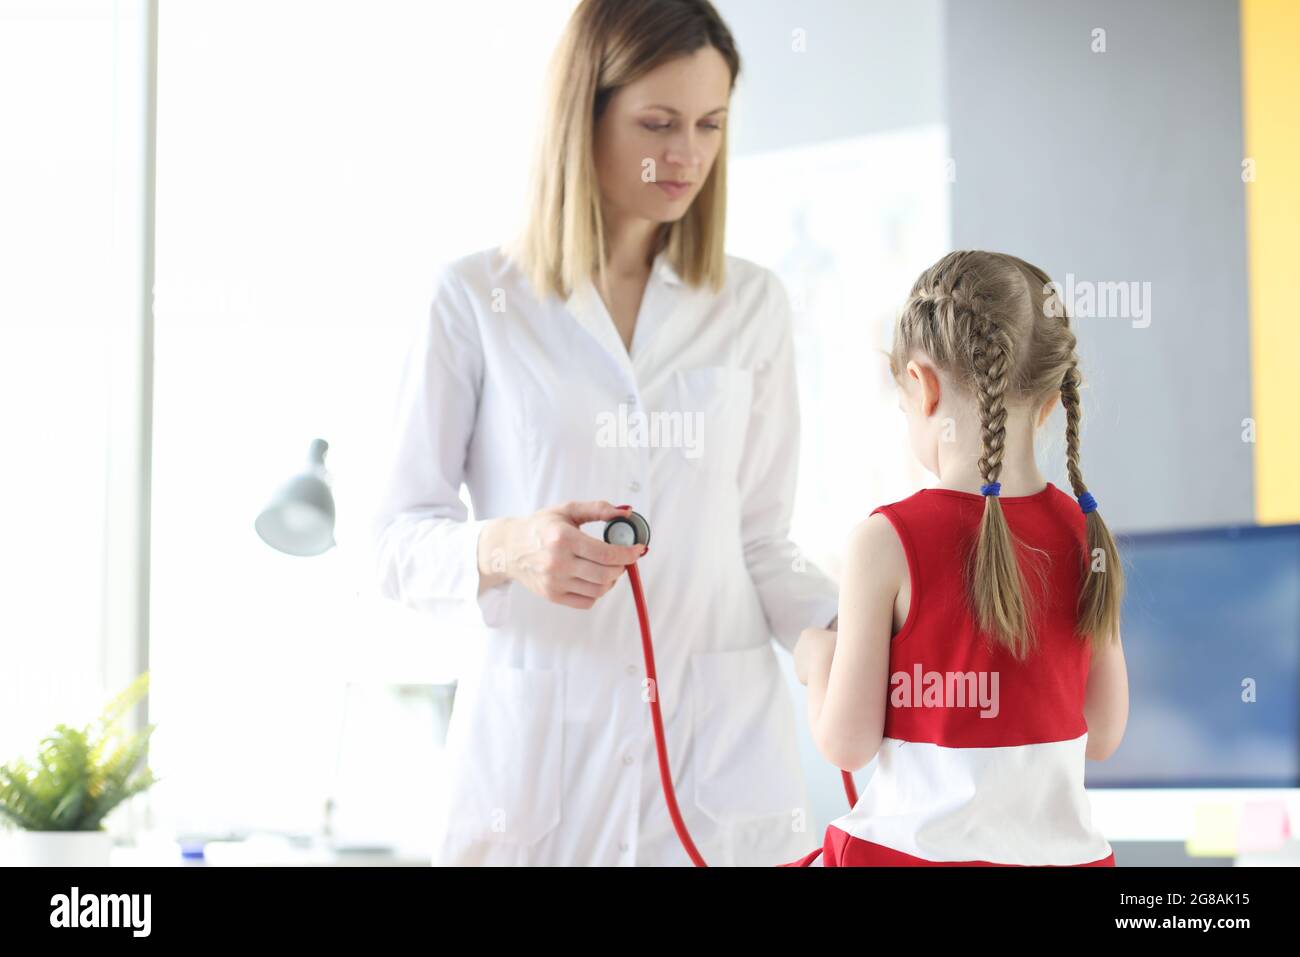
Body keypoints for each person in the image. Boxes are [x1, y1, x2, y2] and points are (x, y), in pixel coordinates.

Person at [371, 0, 838, 866]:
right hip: (537, 789)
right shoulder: (475, 300)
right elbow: (393, 542)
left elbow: (762, 539)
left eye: (710, 124)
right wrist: (511, 547)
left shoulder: (752, 306)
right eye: (658, 122)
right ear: (582, 115)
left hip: (716, 783)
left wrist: (831, 633)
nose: (689, 154)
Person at [786, 250, 1129, 867]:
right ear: (1053, 402)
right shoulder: (1084, 534)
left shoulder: (885, 541)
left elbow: (846, 743)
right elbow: (1102, 734)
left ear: (922, 387)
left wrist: (819, 661)